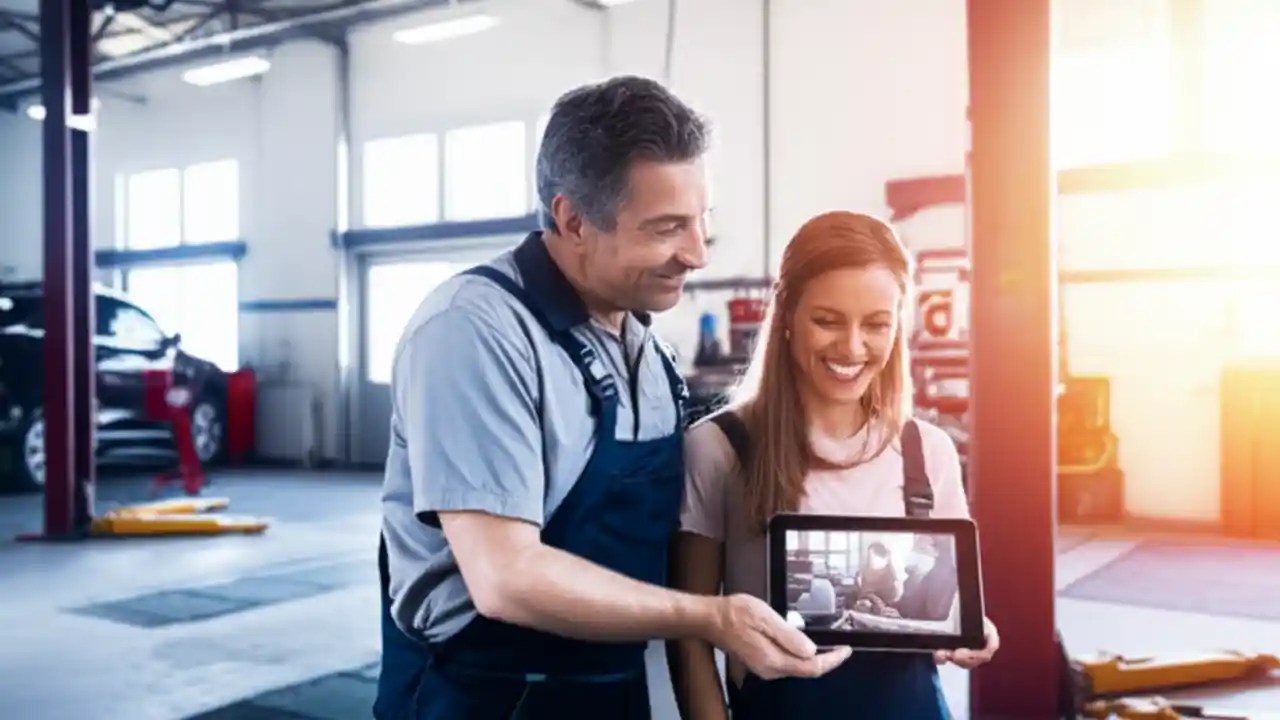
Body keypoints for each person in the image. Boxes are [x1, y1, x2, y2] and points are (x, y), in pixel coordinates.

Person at [374, 76, 850, 720]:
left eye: (702, 220)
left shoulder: (649, 351)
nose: (697, 253)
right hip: (487, 696)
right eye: (667, 228)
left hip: (609, 693)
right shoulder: (473, 331)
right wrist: (709, 618)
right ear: (572, 220)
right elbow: (506, 579)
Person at [667, 211, 1000, 720]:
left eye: (876, 324)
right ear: (786, 315)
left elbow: (950, 610)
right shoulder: (719, 449)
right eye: (827, 321)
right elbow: (690, 634)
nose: (851, 347)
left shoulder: (927, 452)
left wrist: (973, 630)